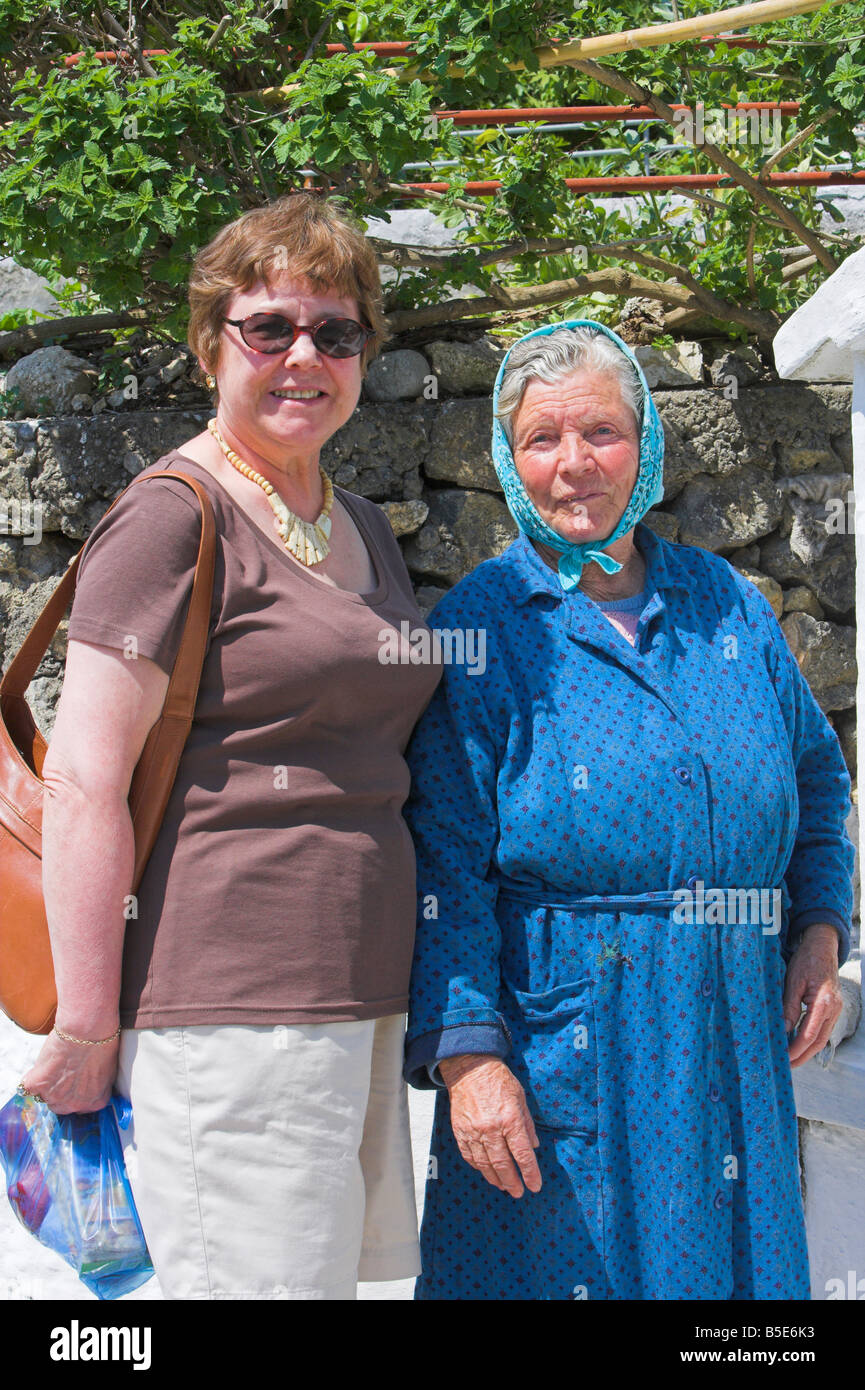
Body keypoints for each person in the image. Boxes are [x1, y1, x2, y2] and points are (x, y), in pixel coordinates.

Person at [19, 193, 442, 1300]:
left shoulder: (354, 522)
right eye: (270, 327)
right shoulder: (173, 512)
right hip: (230, 1006)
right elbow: (84, 783)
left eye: (335, 331)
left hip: (353, 997)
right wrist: (86, 1023)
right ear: (213, 342)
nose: (304, 354)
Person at [403, 319, 852, 1300]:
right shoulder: (482, 625)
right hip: (567, 1034)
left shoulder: (725, 603)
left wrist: (820, 925)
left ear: (644, 441)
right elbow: (441, 860)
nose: (573, 465)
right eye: (541, 439)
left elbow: (816, 779)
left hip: (731, 1025)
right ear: (505, 458)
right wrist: (470, 1059)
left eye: (600, 432)